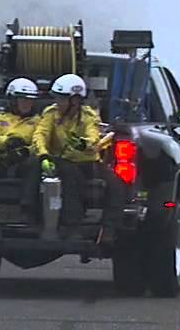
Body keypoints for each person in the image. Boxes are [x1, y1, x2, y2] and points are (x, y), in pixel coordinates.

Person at [33, 73, 122, 241]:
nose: (58, 102)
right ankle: (72, 226)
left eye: (62, 99)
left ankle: (109, 230)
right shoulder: (50, 114)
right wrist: (43, 155)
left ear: (75, 101)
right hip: (63, 161)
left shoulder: (89, 116)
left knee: (116, 184)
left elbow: (93, 136)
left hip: (89, 161)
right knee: (72, 178)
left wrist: (84, 144)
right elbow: (40, 134)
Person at [0, 77, 43, 230]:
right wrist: (5, 142)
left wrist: (23, 150)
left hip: (23, 161)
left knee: (34, 164)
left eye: (30, 100)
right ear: (12, 99)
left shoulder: (38, 121)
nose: (26, 103)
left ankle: (27, 211)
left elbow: (40, 142)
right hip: (0, 159)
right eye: (22, 99)